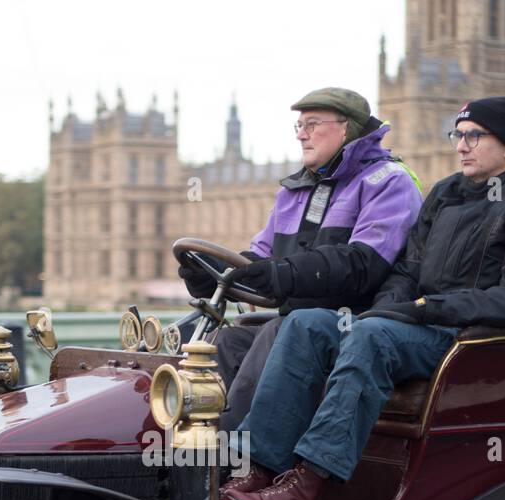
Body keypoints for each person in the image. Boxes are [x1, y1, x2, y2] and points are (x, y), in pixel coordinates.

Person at [222, 97, 505, 500]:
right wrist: (387, 312)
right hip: (418, 322)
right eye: (458, 135)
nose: (461, 145)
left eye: (474, 136)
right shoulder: (445, 194)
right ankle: (257, 468)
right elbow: (407, 270)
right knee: (306, 324)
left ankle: (307, 487)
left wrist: (427, 310)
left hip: (468, 338)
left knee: (372, 337)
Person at [179, 88, 422, 430]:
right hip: (298, 323)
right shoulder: (294, 191)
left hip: (356, 326)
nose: (301, 134)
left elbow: (361, 265)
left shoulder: (387, 181)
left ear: (346, 128)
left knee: (276, 332)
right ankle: (187, 442)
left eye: (311, 124)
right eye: (298, 126)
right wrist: (212, 272)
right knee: (227, 342)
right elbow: (259, 260)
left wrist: (282, 273)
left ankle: (232, 456)